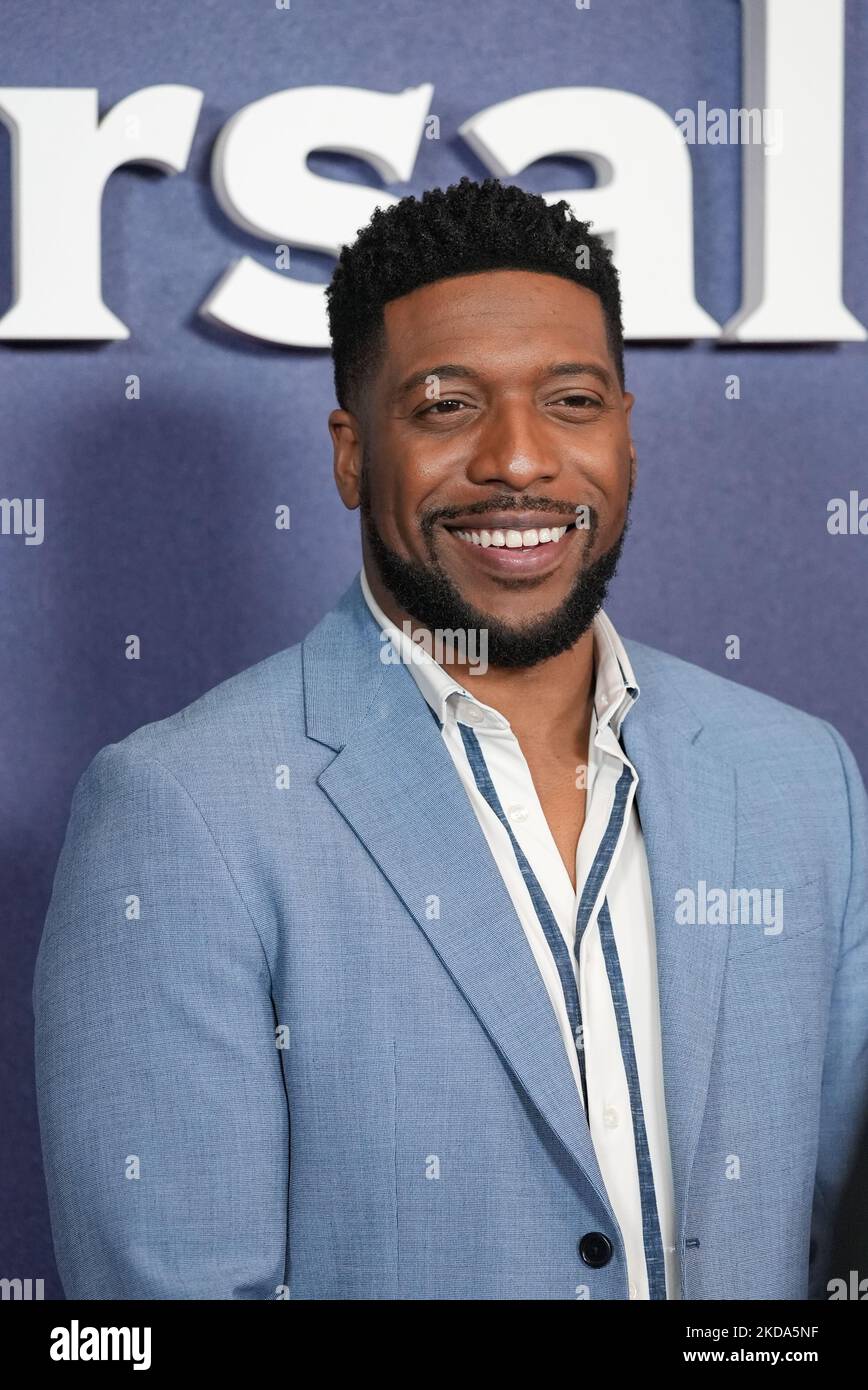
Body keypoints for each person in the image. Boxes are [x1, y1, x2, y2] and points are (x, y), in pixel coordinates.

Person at [33, 177, 867, 1300]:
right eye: (446, 406)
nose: (519, 459)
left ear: (624, 432)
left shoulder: (798, 777)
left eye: (572, 401)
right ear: (347, 453)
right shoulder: (181, 809)